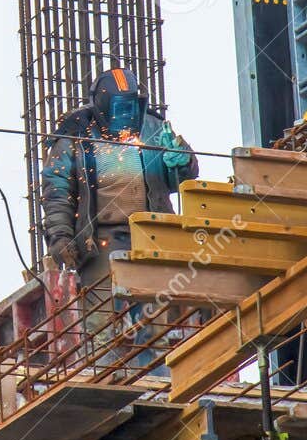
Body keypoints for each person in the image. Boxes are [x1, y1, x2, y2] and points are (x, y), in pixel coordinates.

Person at [39, 66, 199, 289]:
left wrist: (182, 161)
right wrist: (60, 237)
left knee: (159, 313)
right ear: (103, 108)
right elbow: (57, 192)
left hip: (155, 234)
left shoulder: (153, 127)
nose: (125, 116)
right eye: (119, 109)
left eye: (129, 108)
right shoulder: (75, 133)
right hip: (102, 241)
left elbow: (184, 182)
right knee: (103, 311)